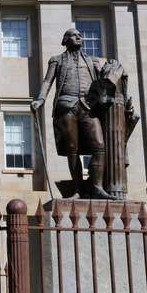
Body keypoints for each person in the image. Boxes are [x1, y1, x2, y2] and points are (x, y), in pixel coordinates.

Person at [31, 28, 116, 200]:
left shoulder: (92, 60)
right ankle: (77, 190)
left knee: (99, 145)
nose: (79, 37)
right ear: (65, 40)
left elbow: (103, 80)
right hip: (66, 106)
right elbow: (47, 81)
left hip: (89, 106)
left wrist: (113, 70)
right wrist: (40, 100)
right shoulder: (56, 60)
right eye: (74, 35)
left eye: (79, 35)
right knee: (72, 148)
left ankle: (98, 187)